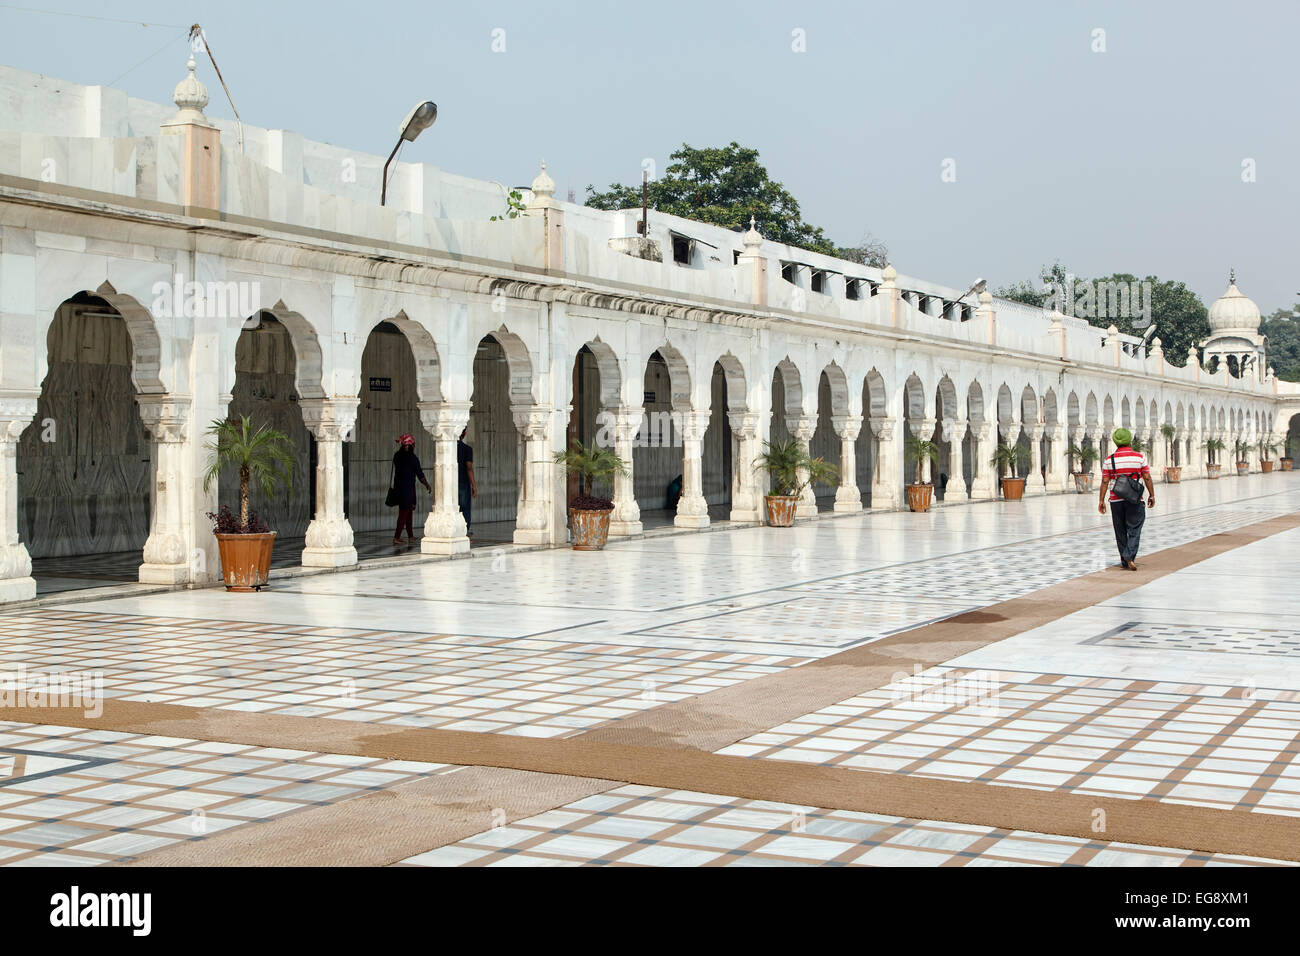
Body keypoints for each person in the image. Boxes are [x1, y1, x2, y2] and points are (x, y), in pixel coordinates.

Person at [1098, 427, 1155, 570]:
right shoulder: (1139, 458)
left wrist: (1101, 500)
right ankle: (1129, 554)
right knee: (1135, 527)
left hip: (1116, 500)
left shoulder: (1109, 460)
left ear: (1116, 442)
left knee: (1120, 529)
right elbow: (1146, 476)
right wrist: (1151, 495)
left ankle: (1125, 560)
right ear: (1129, 440)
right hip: (1134, 499)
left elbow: (1105, 481)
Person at [392, 433, 431, 546]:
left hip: (399, 487)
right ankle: (396, 537)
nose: (414, 446)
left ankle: (410, 536)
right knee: (404, 513)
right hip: (407, 489)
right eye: (413, 444)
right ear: (410, 446)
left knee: (408, 512)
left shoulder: (397, 456)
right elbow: (420, 474)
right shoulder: (413, 458)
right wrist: (427, 484)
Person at [457, 428, 477, 537]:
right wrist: (474, 485)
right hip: (463, 483)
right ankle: (465, 530)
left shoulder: (449, 448)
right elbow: (469, 467)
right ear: (464, 434)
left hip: (451, 484)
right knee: (465, 508)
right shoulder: (467, 449)